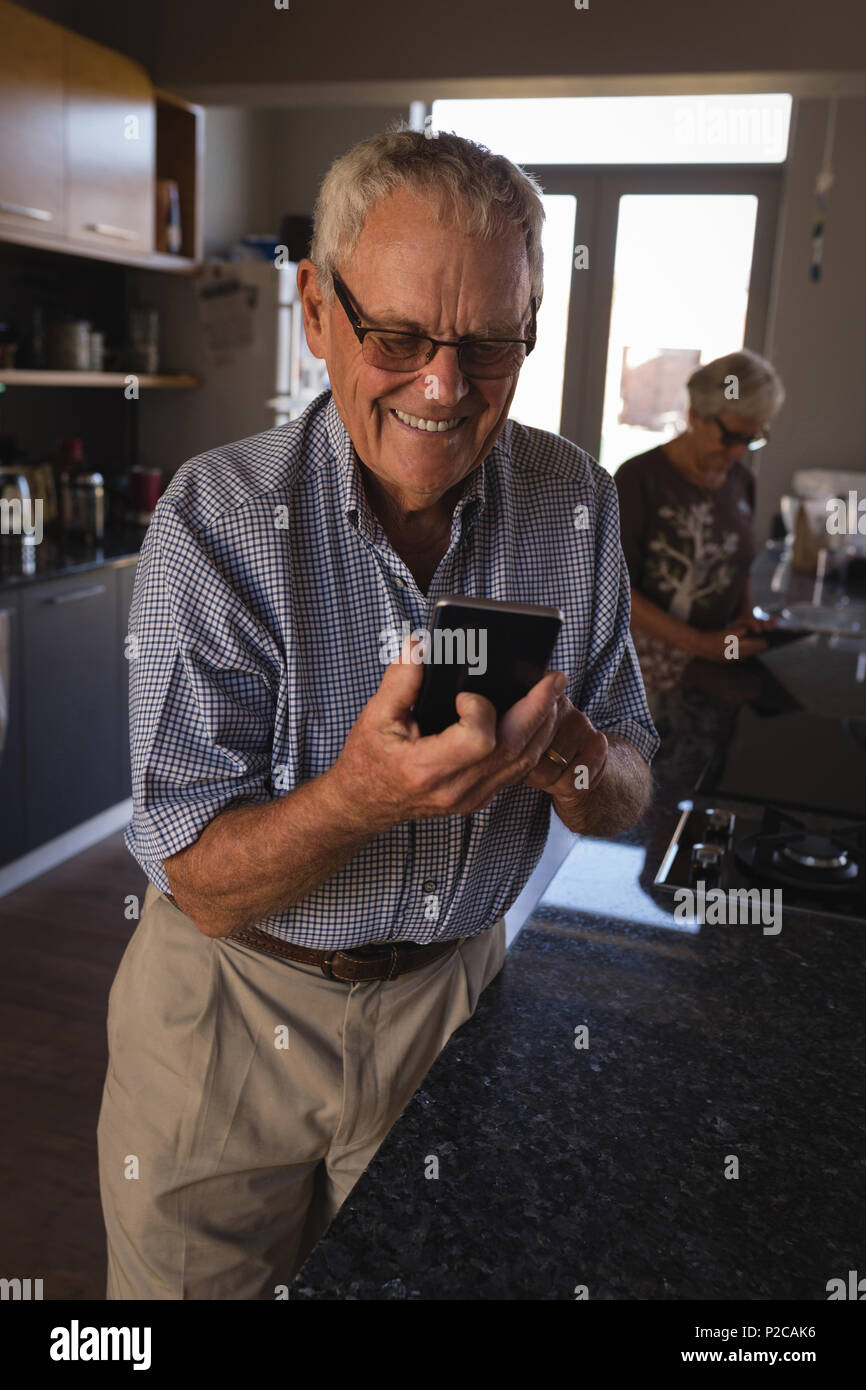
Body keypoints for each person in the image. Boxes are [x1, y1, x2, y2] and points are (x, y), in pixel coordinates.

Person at [96, 128, 659, 1300]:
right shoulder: (216, 522)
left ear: (529, 335)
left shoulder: (573, 504)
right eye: (395, 337)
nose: (442, 387)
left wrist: (569, 755)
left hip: (453, 1003)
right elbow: (196, 878)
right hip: (225, 1013)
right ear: (315, 311)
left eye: (488, 346)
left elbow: (628, 790)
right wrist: (362, 797)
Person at [614, 349, 785, 698]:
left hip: (715, 666)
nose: (739, 453)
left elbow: (739, 566)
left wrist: (745, 618)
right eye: (730, 437)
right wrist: (701, 644)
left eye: (750, 440)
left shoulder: (741, 481)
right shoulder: (638, 479)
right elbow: (619, 591)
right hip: (645, 674)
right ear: (694, 415)